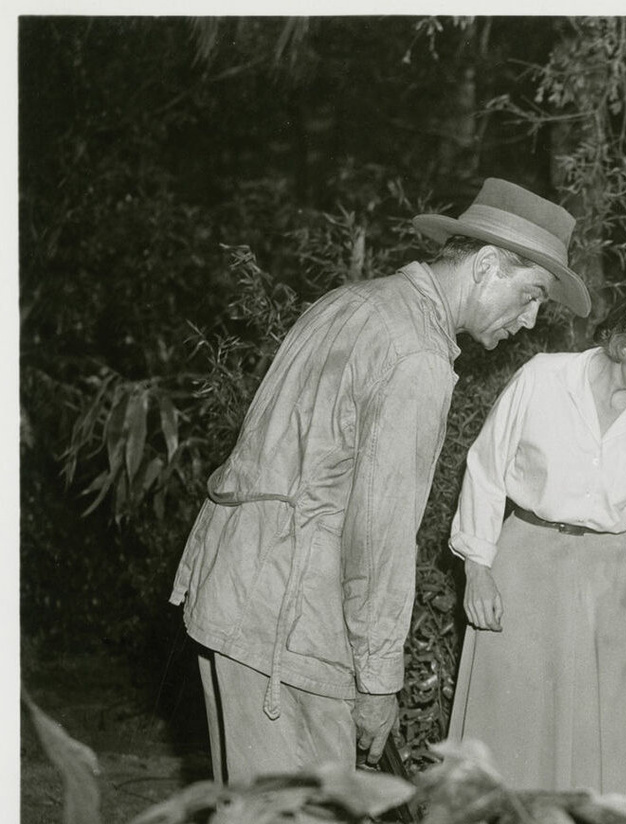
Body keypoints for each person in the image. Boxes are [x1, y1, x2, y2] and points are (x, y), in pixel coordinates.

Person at [171, 179, 590, 784]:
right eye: (530, 296)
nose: (529, 321)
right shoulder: (417, 356)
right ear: (486, 265)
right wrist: (377, 681)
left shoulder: (357, 301)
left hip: (235, 588)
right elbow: (380, 536)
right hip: (289, 620)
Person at [446, 282, 626, 799]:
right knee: (510, 725)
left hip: (603, 582)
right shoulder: (544, 379)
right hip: (524, 564)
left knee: (588, 735)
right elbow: (486, 469)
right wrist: (477, 567)